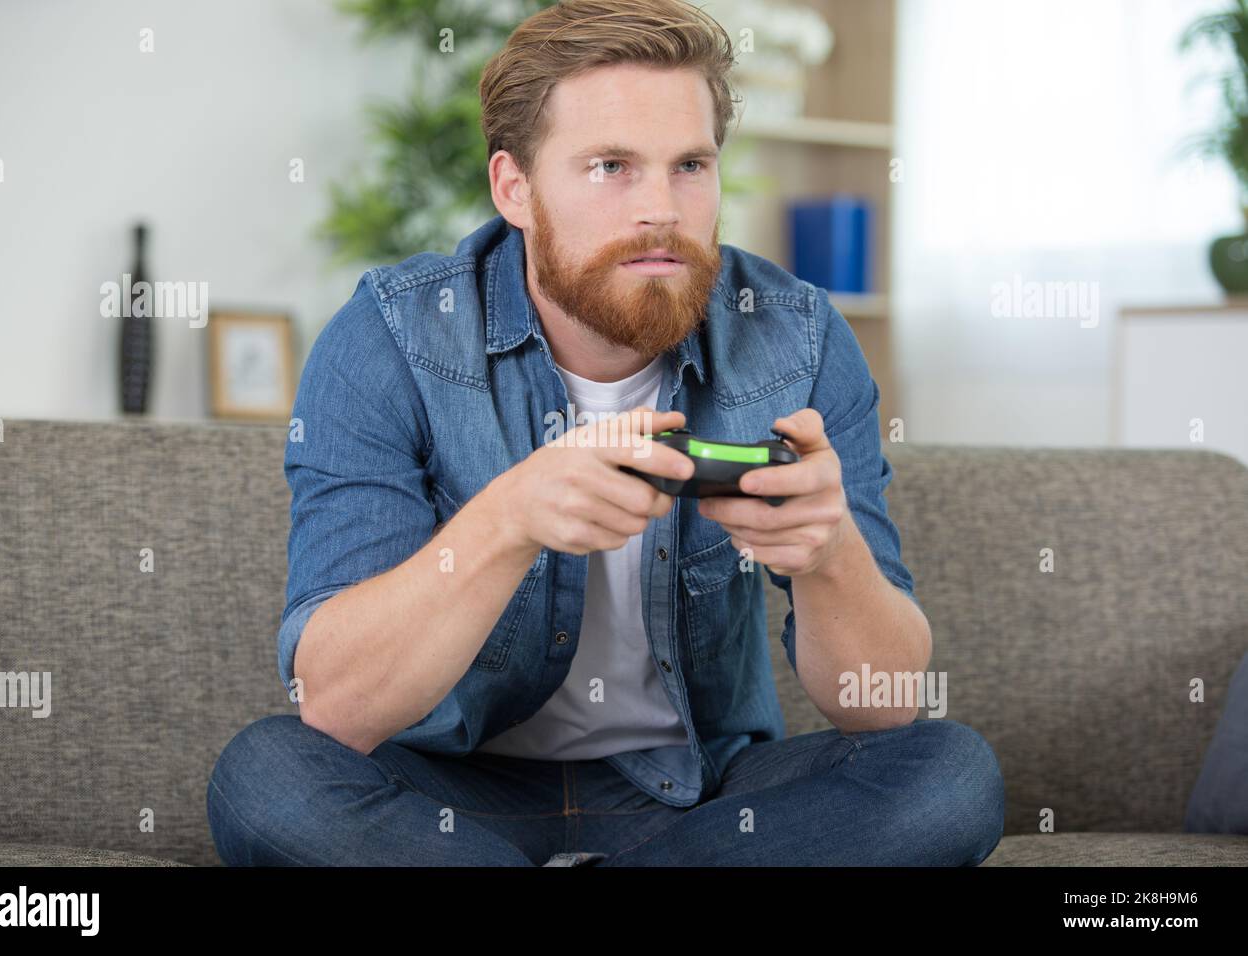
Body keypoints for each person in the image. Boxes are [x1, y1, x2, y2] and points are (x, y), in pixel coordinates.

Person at [207, 0, 1004, 866]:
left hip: (698, 799)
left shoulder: (795, 336)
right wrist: (508, 520)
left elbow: (880, 703)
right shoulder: (391, 338)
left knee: (950, 775)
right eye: (612, 166)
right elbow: (336, 704)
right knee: (266, 778)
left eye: (690, 165)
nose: (661, 209)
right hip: (453, 798)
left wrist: (828, 550)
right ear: (514, 186)